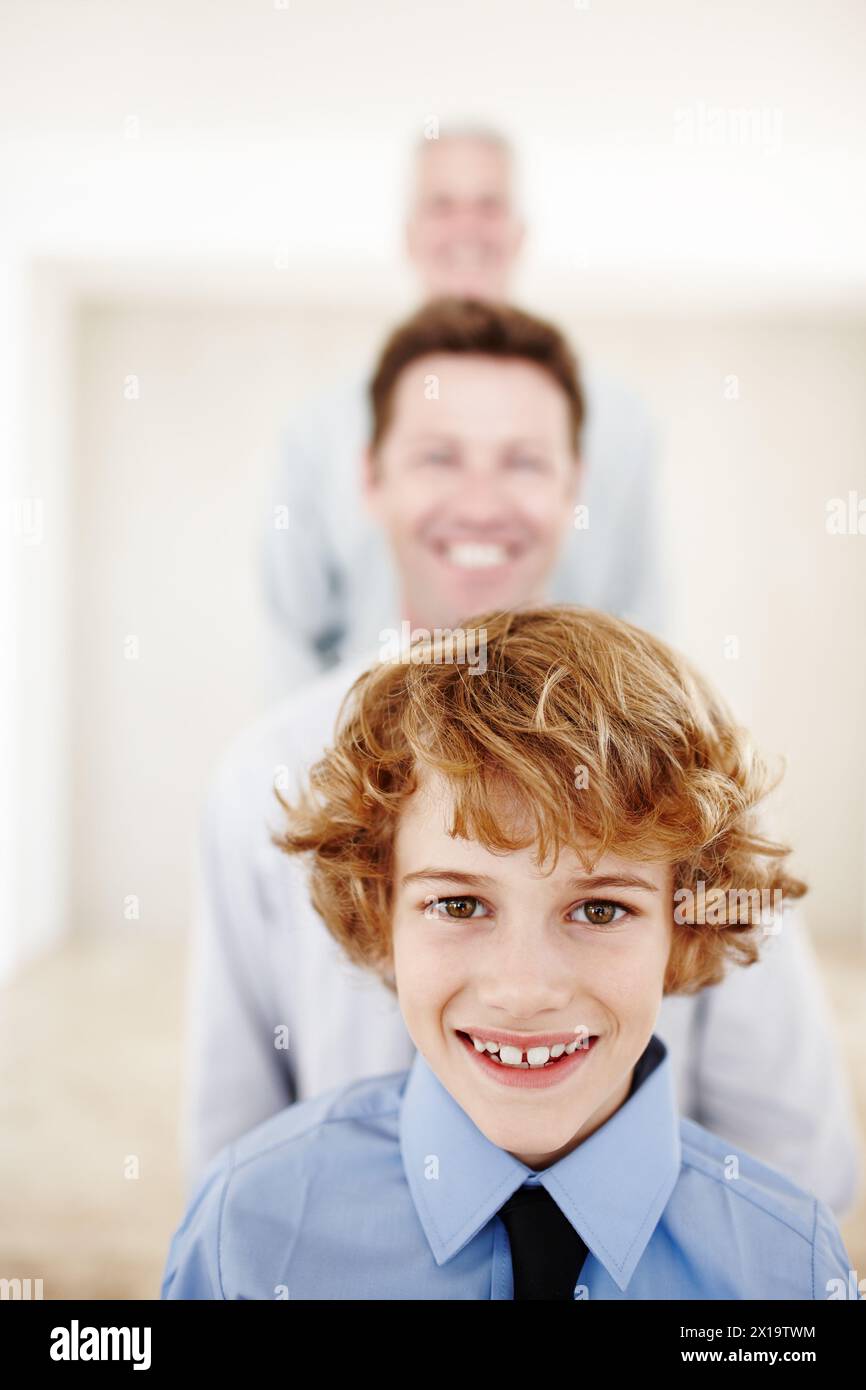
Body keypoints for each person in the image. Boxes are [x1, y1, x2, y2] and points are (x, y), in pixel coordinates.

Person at [182, 297, 861, 1221]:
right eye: (438, 456)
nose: (481, 499)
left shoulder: (693, 749)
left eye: (523, 461)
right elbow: (232, 1123)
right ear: (370, 478)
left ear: (574, 487)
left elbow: (787, 1141)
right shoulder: (264, 775)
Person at [163, 607, 859, 1300]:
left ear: (686, 929)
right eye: (460, 906)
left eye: (599, 909)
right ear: (381, 911)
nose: (524, 990)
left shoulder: (786, 1267)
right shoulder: (248, 1236)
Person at [261, 125, 666, 693]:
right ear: (409, 235)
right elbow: (291, 628)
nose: (467, 226)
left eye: (488, 204)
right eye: (442, 205)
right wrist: (329, 758)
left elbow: (638, 612)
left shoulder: (618, 422)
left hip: (562, 746)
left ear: (520, 233)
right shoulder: (319, 426)